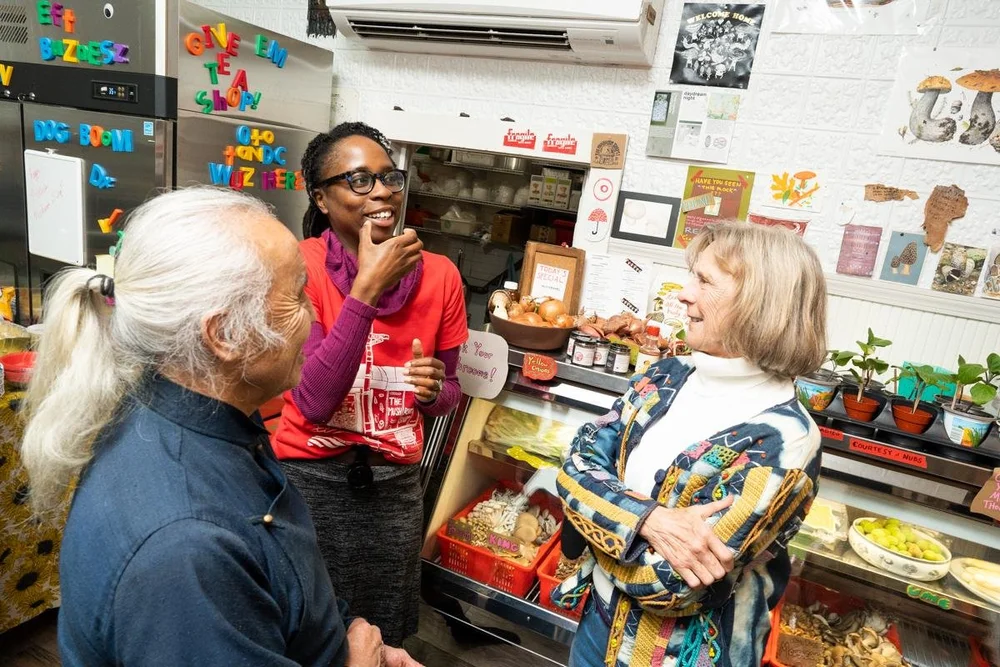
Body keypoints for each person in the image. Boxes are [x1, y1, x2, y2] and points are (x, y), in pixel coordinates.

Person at [19, 187, 420, 667]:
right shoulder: (186, 547)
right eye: (296, 298)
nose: (313, 317)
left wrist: (348, 640)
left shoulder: (198, 418)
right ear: (226, 334)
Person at [552, 222, 827, 667]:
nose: (683, 294)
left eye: (704, 280)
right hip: (595, 626)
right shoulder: (666, 375)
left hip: (680, 656)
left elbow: (670, 587)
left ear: (759, 302)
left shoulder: (786, 440)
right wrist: (648, 521)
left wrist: (594, 512)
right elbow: (574, 462)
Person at [272, 122, 468, 646]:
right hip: (312, 480)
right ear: (321, 197)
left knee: (384, 635)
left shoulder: (441, 275)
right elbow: (314, 400)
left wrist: (434, 391)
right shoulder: (298, 266)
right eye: (359, 180)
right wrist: (367, 289)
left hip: (394, 487)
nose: (381, 191)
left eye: (388, 178)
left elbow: (449, 394)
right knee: (310, 631)